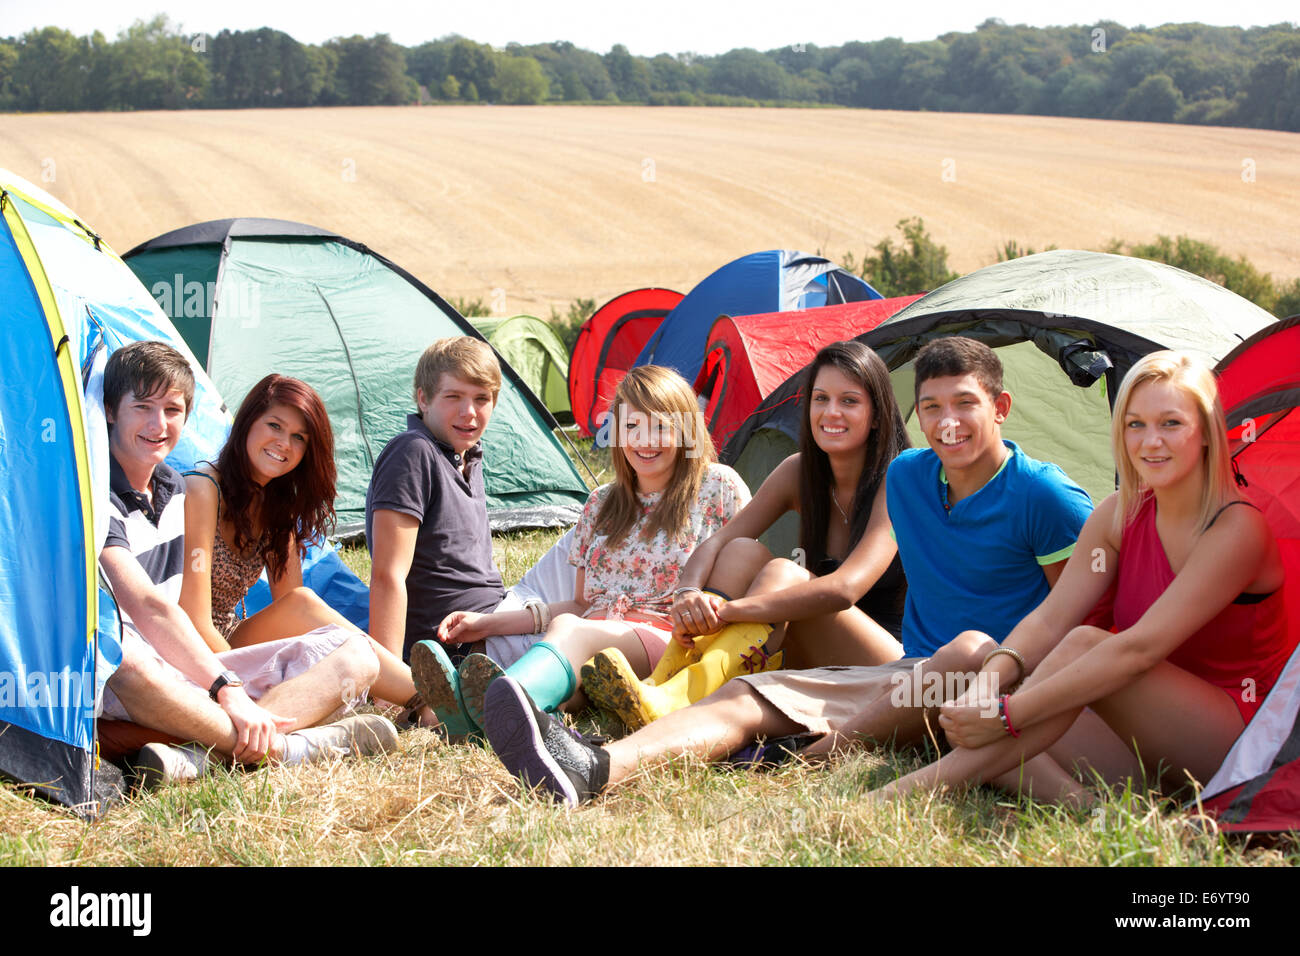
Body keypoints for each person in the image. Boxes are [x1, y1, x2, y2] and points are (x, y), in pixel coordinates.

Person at [482, 336, 1095, 805]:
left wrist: (737, 608)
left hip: (981, 679)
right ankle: (598, 767)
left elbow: (1074, 616)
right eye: (931, 406)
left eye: (964, 405)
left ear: (1001, 408)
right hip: (909, 668)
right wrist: (692, 591)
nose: (946, 422)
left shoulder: (1021, 494)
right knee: (751, 685)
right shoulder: (914, 476)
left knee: (953, 645)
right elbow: (727, 540)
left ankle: (803, 753)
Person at [872, 350, 1293, 804]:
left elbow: (1138, 649)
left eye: (1171, 423)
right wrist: (990, 685)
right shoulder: (1118, 514)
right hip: (1146, 735)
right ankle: (1091, 809)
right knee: (993, 709)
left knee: (1080, 651)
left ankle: (900, 795)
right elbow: (1052, 618)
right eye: (1136, 424)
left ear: (1207, 432)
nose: (1151, 442)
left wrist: (1006, 713)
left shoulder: (1236, 529)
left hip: (1237, 744)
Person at [97, 342, 397, 789]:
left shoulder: (172, 489)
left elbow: (290, 605)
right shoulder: (106, 493)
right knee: (131, 664)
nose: (158, 424)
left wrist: (227, 684)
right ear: (108, 411)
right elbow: (156, 609)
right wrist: (229, 688)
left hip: (196, 666)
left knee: (356, 655)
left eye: (173, 410)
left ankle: (199, 756)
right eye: (142, 407)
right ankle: (292, 748)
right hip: (155, 670)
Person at [581, 340, 910, 731]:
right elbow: (718, 542)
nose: (831, 412)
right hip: (817, 652)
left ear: (876, 415)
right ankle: (663, 680)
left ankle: (684, 693)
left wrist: (730, 611)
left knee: (785, 574)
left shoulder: (900, 478)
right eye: (820, 398)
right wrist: (687, 594)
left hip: (888, 665)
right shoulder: (800, 471)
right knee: (741, 550)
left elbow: (844, 590)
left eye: (849, 401)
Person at [413, 365, 753, 733]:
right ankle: (464, 718)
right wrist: (488, 623)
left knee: (571, 633)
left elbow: (746, 567)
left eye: (660, 426)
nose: (645, 440)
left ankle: (496, 707)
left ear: (686, 430)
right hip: (593, 646)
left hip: (668, 643)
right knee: (568, 666)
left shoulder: (717, 486)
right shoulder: (601, 504)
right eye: (632, 426)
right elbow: (580, 604)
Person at [179, 374, 433, 725]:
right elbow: (191, 620)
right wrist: (236, 683)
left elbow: (293, 607)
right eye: (275, 425)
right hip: (187, 648)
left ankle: (419, 698)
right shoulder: (203, 488)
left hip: (230, 637)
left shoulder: (275, 503)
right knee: (308, 614)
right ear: (247, 422)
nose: (284, 443)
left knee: (304, 607)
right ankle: (428, 699)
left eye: (298, 437)